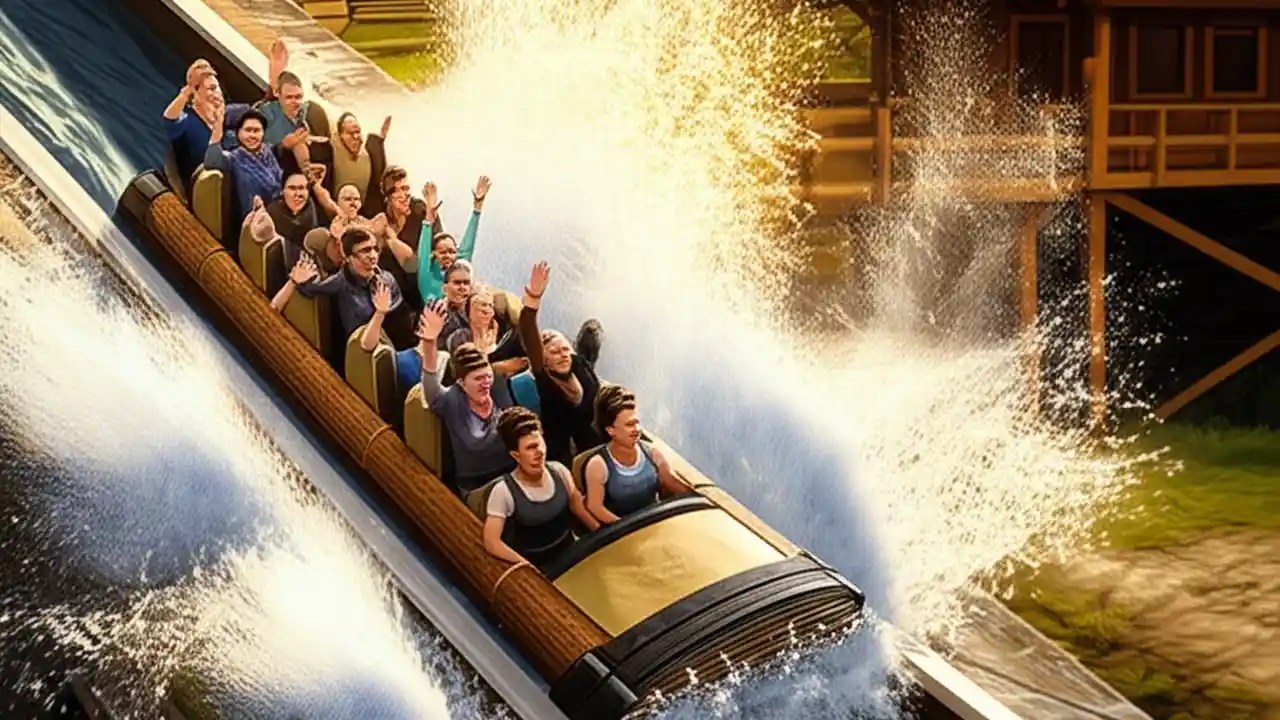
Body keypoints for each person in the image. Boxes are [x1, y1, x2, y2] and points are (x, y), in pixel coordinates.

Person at [417, 301, 519, 495]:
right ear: (462, 383)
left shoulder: (497, 387)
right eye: (478, 379)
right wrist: (430, 342)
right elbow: (430, 385)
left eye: (487, 376)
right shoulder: (451, 401)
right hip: (478, 485)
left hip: (514, 473)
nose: (485, 383)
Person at [484, 407, 598, 570]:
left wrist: (602, 532)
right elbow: (491, 541)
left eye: (539, 444)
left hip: (572, 556)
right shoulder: (503, 492)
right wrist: (527, 568)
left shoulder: (560, 471)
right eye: (530, 448)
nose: (539, 453)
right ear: (515, 455)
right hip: (539, 568)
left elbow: (578, 507)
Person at [517, 261, 606, 467]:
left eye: (566, 349)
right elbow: (529, 334)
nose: (563, 355)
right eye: (555, 352)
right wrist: (533, 299)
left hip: (596, 446)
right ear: (544, 360)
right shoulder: (545, 380)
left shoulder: (580, 366)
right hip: (564, 459)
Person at [295, 226, 417, 350]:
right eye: (365, 250)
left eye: (375, 249)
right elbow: (310, 288)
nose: (373, 255)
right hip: (361, 350)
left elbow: (402, 322)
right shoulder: (341, 281)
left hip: (396, 347)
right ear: (349, 257)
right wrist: (300, 278)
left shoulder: (387, 279)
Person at [582, 385, 686, 523]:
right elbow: (595, 507)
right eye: (629, 425)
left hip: (658, 524)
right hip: (626, 533)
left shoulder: (653, 454)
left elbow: (670, 481)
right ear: (610, 430)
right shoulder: (598, 465)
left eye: (637, 422)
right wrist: (624, 526)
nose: (637, 429)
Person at [204, 106, 308, 227]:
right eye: (248, 130)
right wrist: (217, 132)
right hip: (257, 219)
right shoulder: (233, 158)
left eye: (256, 131)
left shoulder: (267, 150)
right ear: (238, 133)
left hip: (282, 207)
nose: (252, 135)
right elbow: (210, 161)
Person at [162, 63, 250, 190]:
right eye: (211, 89)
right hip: (213, 191)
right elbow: (169, 119)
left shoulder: (232, 113)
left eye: (216, 87)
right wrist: (185, 94)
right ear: (195, 96)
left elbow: (260, 115)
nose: (216, 94)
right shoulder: (189, 123)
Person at [417, 178, 487, 303]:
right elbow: (423, 254)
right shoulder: (428, 277)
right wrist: (428, 217)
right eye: (443, 252)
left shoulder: (460, 269)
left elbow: (467, 248)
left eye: (452, 251)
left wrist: (477, 208)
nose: (448, 256)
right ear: (433, 254)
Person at [445, 285, 528, 377]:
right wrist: (497, 367)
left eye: (490, 305)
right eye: (479, 305)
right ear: (468, 312)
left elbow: (524, 363)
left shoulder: (511, 336)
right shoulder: (460, 337)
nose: (486, 309)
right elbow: (461, 372)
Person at [329, 112, 391, 218]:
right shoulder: (331, 152)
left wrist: (380, 140)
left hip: (362, 215)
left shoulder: (367, 154)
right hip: (333, 214)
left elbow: (378, 179)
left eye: (358, 132)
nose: (355, 136)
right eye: (350, 133)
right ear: (340, 135)